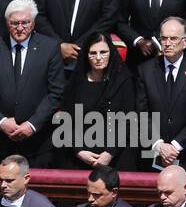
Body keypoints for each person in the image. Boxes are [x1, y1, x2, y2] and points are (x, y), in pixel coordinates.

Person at [0, 0, 66, 166]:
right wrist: (1, 122)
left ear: (34, 22)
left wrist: (32, 124)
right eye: (14, 23)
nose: (20, 28)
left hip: (38, 142)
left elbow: (56, 93)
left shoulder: (50, 48)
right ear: (7, 22)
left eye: (25, 22)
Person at [135, 18, 186, 173]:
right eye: (163, 38)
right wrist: (159, 144)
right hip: (153, 153)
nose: (167, 43)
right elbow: (141, 113)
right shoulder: (145, 70)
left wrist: (175, 146)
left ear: (185, 42)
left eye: (173, 38)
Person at [58, 30, 140, 169]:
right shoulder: (76, 83)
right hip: (80, 155)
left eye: (103, 52)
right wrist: (79, 151)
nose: (98, 57)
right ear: (86, 55)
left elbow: (129, 121)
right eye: (93, 53)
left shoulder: (124, 81)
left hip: (116, 156)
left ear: (111, 53)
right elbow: (66, 121)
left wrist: (109, 153)